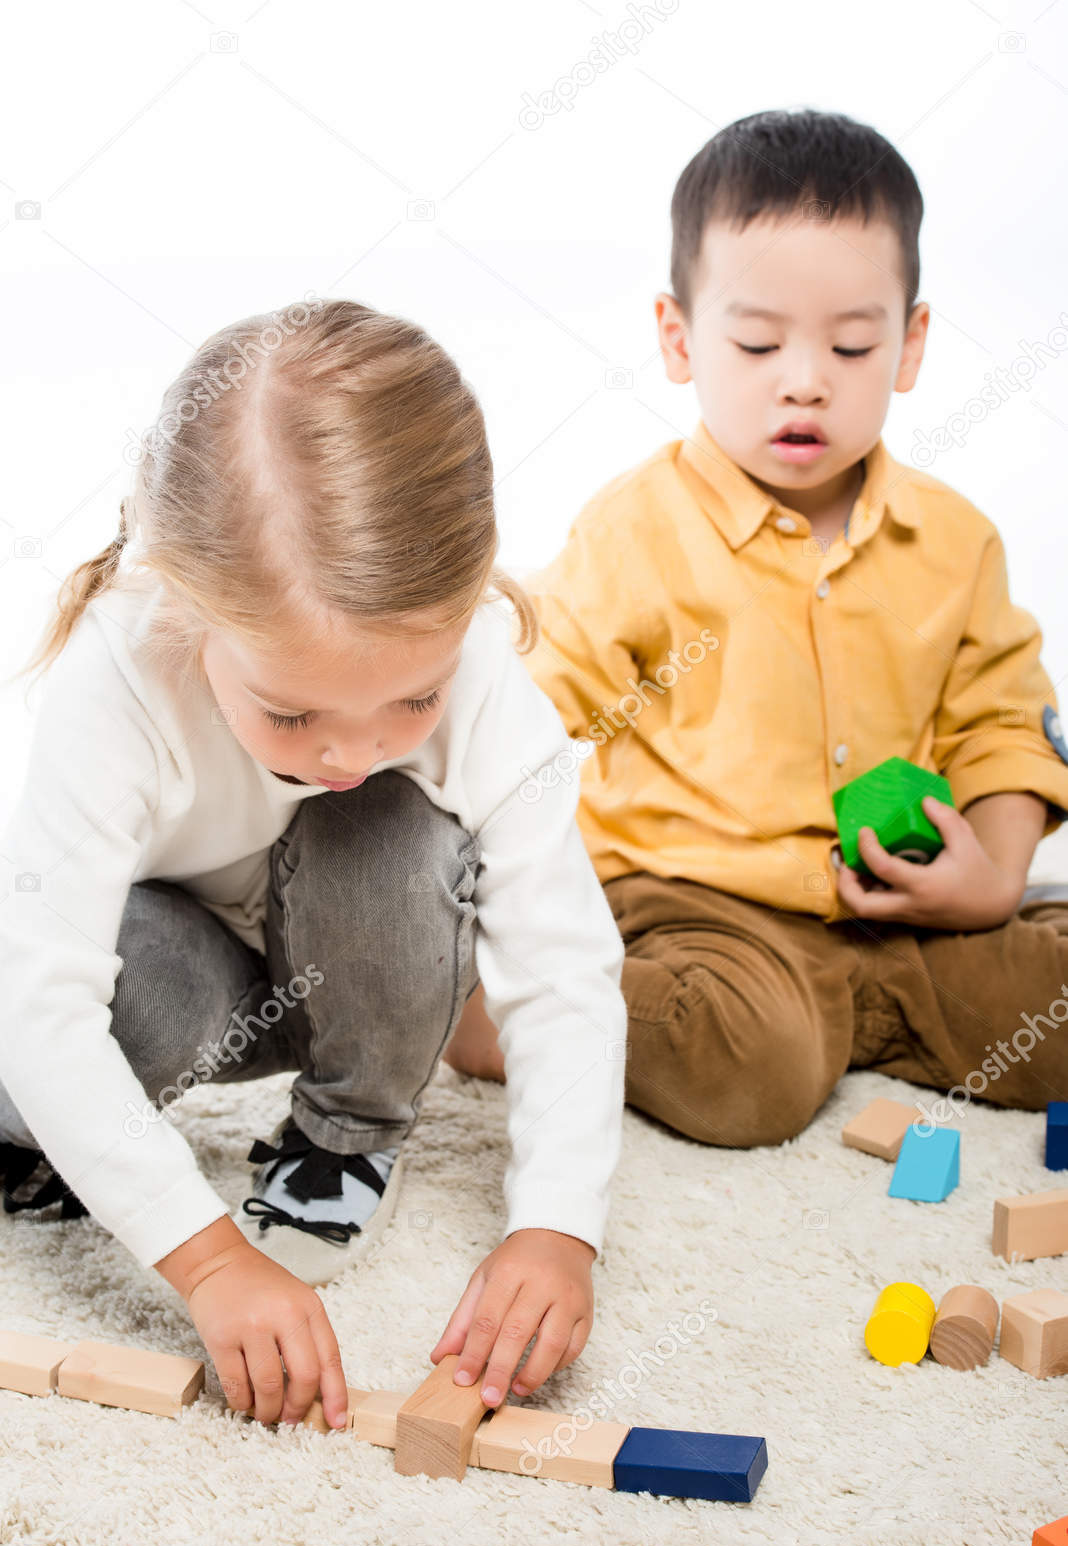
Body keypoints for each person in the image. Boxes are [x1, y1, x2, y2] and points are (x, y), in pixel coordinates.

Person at [0, 298, 626, 1431]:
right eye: (292, 712)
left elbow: (563, 960)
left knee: (392, 825)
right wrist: (203, 1258)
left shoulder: (479, 665)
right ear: (189, 604)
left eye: (412, 698)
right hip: (171, 973)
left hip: (343, 972)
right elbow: (40, 1002)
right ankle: (38, 1151)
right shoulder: (119, 673)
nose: (349, 748)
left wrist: (557, 1224)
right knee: (87, 1022)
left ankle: (342, 1144)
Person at [444, 109, 1068, 1144]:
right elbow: (527, 709)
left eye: (852, 342)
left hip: (910, 909)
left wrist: (990, 876)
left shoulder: (957, 541)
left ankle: (867, 1012)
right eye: (758, 340)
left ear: (909, 345)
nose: (805, 376)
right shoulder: (636, 529)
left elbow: (1004, 720)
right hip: (700, 907)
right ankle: (498, 1013)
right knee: (750, 1070)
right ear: (680, 338)